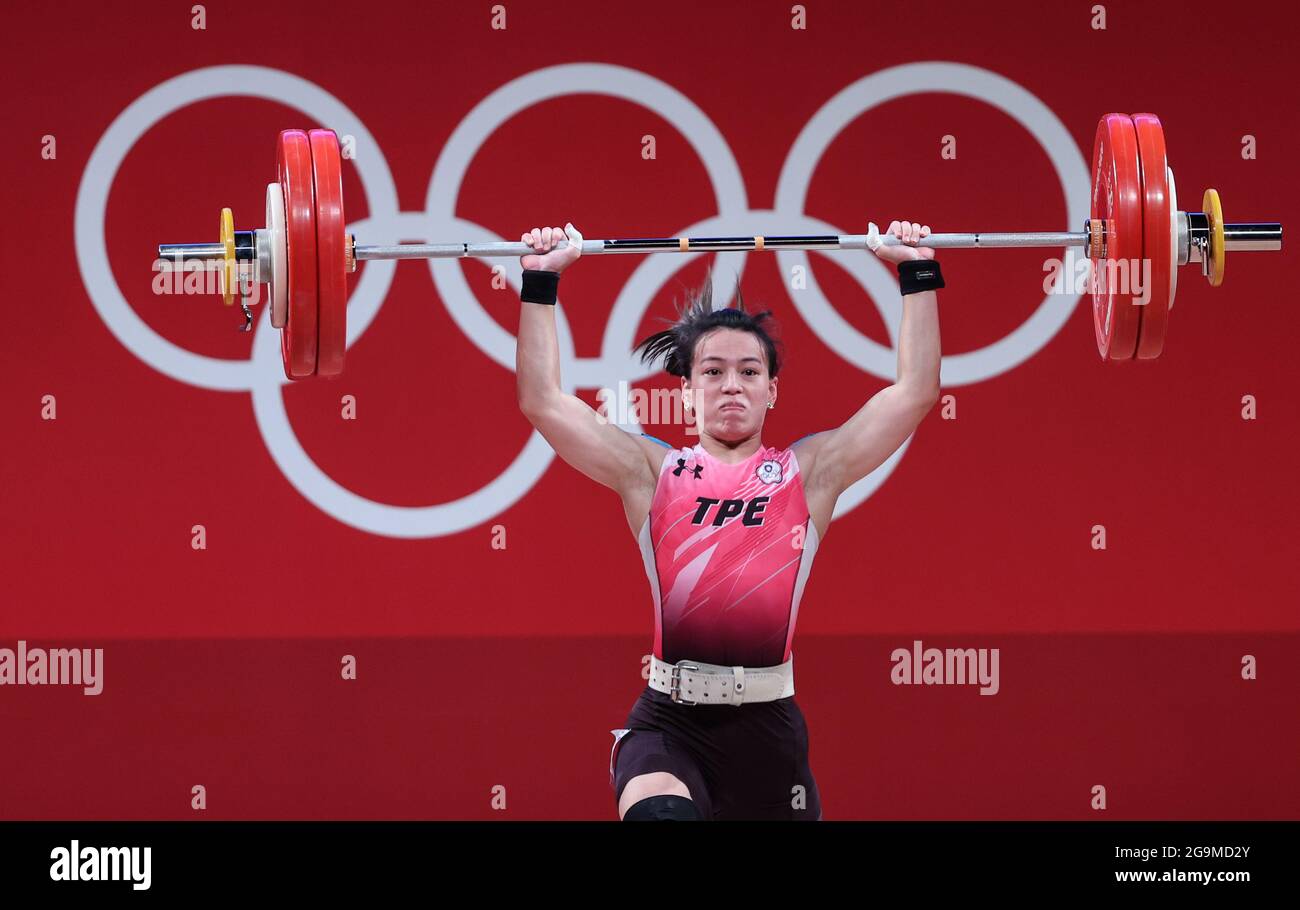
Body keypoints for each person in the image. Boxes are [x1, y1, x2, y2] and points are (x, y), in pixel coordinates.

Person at [515, 221, 943, 820]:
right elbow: (542, 400)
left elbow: (916, 391)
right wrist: (540, 281)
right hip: (669, 724)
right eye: (712, 372)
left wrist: (915, 270)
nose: (731, 386)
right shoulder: (650, 473)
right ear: (687, 391)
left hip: (769, 739)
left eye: (748, 372)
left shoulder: (810, 473)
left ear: (773, 390)